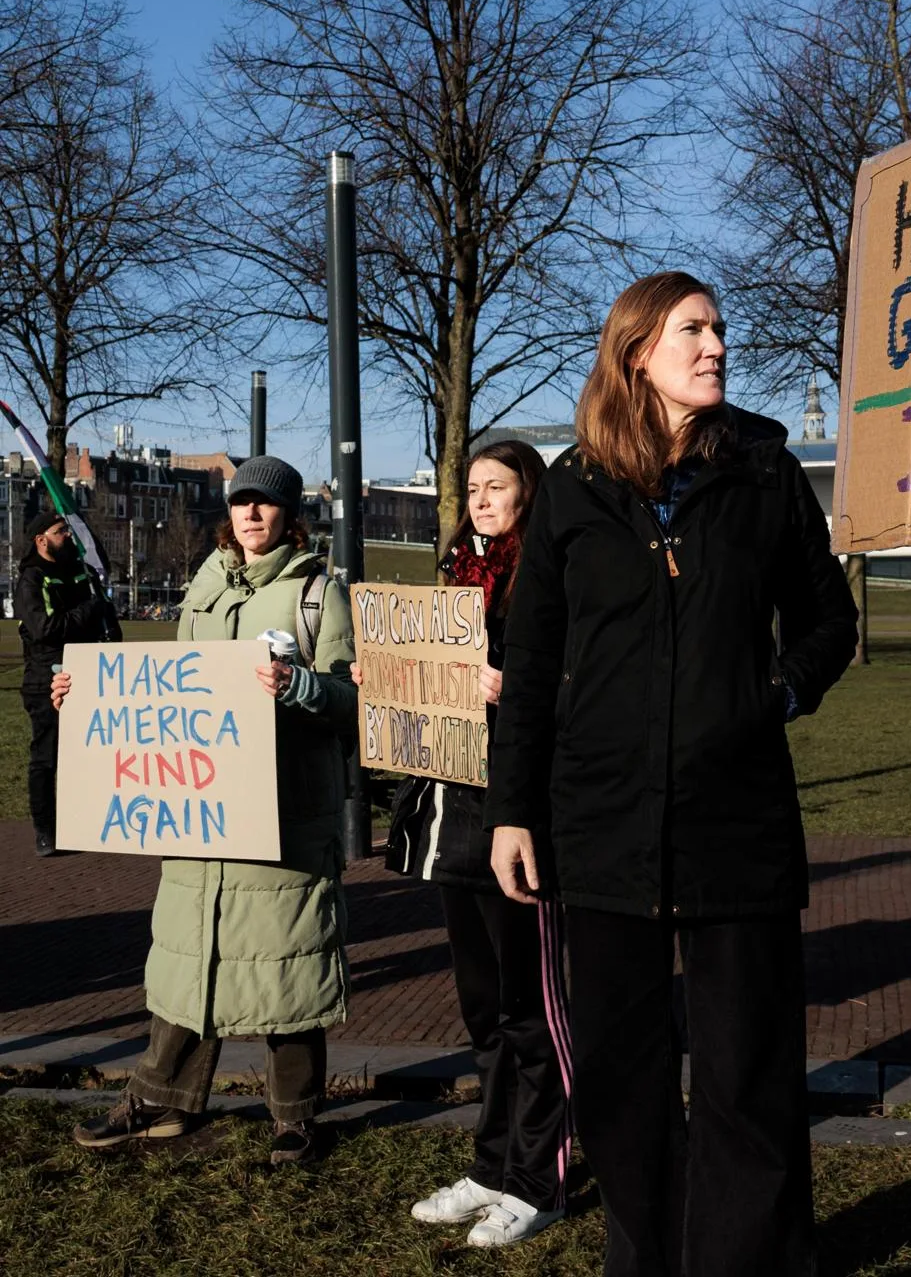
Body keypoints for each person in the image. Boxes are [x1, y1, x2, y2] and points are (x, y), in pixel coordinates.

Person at [486, 271, 857, 1276]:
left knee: (749, 1076)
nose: (717, 346)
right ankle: (645, 1256)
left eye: (721, 330)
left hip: (736, 821)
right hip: (599, 826)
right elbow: (529, 665)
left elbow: (830, 620)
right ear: (635, 350)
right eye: (692, 329)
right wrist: (513, 809)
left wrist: (770, 693)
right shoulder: (569, 490)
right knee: (621, 1079)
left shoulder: (765, 472)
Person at [59, 455, 356, 1167]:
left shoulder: (317, 591)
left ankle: (295, 1115)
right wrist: (87, 697)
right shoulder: (204, 583)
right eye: (242, 502)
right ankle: (158, 1097)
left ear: (291, 514)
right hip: (200, 817)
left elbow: (352, 700)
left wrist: (297, 687)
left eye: (266, 503)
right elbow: (169, 694)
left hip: (284, 814)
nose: (252, 513)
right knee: (189, 962)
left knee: (289, 963)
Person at [380, 439, 571, 1248]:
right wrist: (392, 676)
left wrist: (516, 685)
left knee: (534, 1011)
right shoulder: (459, 574)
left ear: (531, 492)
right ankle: (492, 1166)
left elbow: (585, 685)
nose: (481, 499)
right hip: (455, 815)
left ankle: (541, 1178)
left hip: (525, 812)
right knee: (484, 1008)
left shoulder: (552, 573)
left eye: (497, 486)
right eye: (472, 488)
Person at [15, 509, 120, 855]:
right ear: (41, 540)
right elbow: (45, 629)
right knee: (46, 757)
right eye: (62, 532)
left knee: (92, 754)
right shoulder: (33, 579)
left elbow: (105, 618)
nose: (70, 538)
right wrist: (91, 610)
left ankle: (88, 821)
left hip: (92, 675)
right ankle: (45, 830)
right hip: (47, 679)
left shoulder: (84, 573)